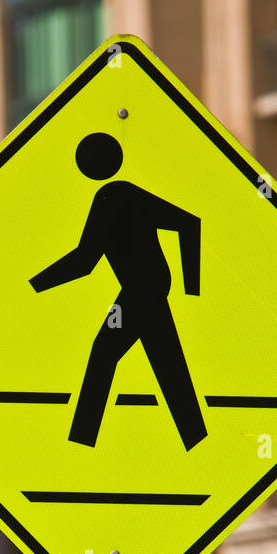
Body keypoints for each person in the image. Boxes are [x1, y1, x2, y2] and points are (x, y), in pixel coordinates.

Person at [30, 132, 207, 451]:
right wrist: (37, 284)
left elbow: (189, 224)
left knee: (104, 353)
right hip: (146, 288)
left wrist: (192, 289)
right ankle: (197, 440)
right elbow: (87, 260)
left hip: (143, 289)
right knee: (167, 364)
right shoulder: (113, 195)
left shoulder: (117, 195)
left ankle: (80, 443)